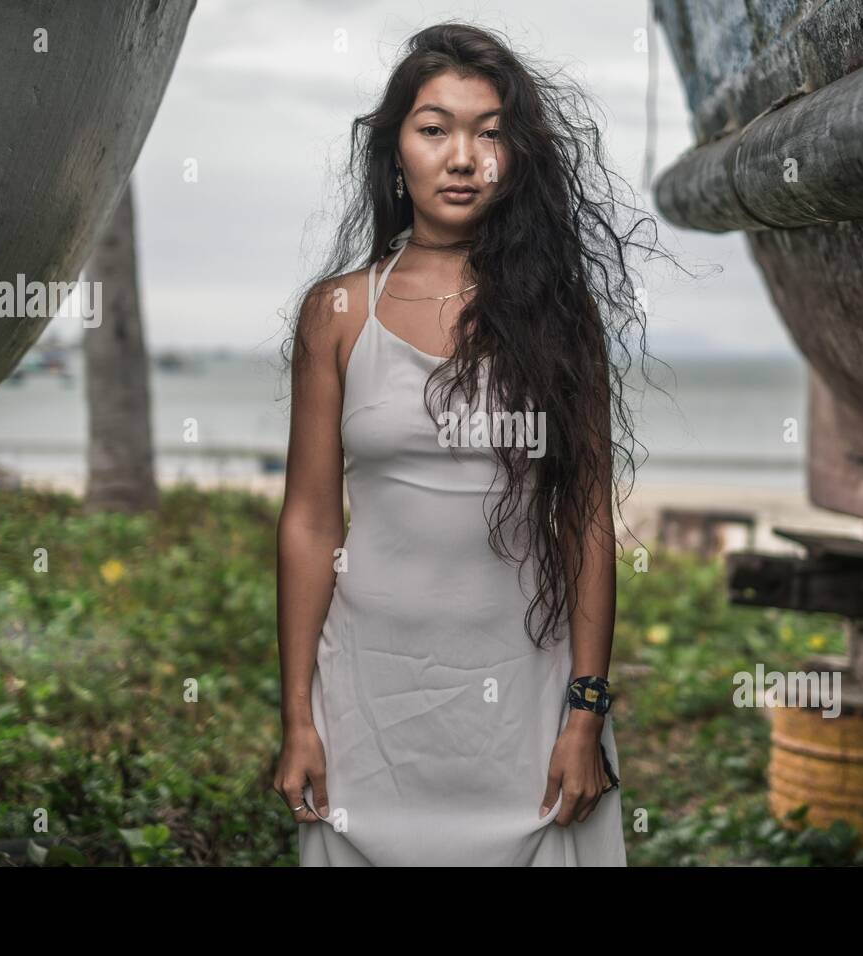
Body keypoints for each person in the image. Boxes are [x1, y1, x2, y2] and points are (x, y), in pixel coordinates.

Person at [274, 21, 670, 866]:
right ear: (395, 153)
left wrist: (586, 711)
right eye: (434, 129)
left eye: (489, 133)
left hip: (524, 704)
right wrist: (299, 718)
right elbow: (310, 524)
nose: (462, 157)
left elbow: (586, 521)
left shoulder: (560, 319)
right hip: (370, 705)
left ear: (514, 159)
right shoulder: (338, 313)